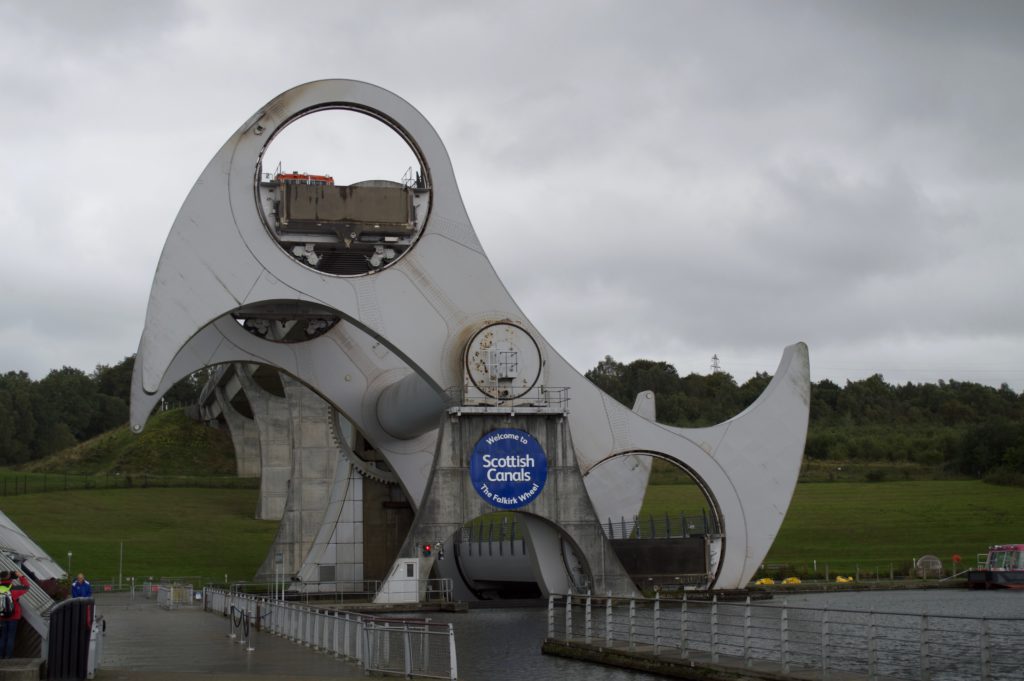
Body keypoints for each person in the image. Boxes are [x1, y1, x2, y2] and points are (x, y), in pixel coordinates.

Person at [0, 570, 29, 659]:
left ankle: (0, 656)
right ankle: (8, 656)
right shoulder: (14, 589)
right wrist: (20, 576)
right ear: (10, 577)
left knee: (2, 636)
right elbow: (26, 587)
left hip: (1, 617)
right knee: (10, 637)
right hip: (13, 616)